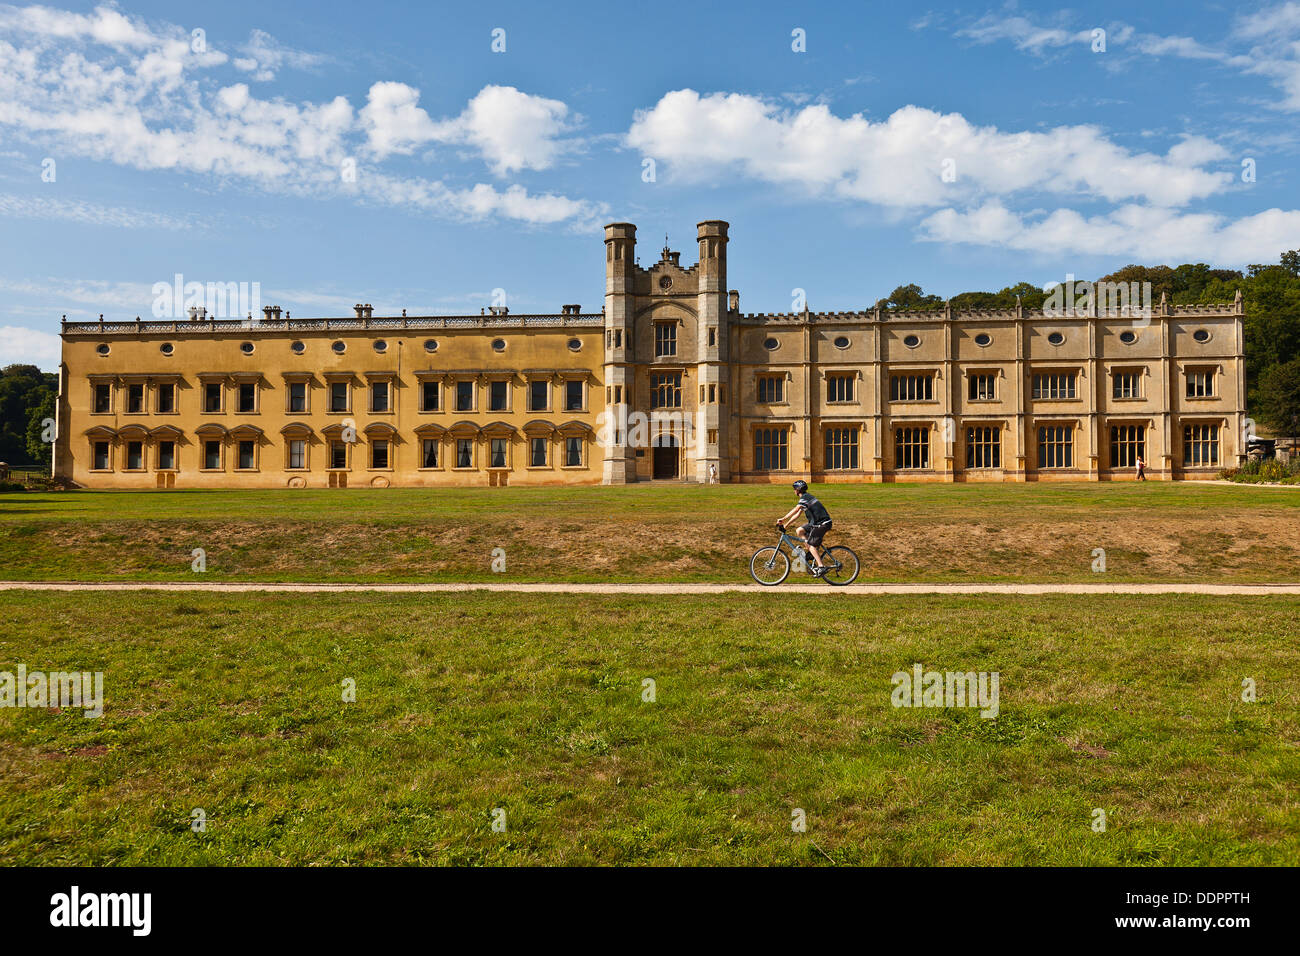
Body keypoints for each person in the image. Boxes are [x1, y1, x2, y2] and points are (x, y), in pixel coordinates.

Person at [776, 479, 832, 576]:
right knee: (800, 530)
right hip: (815, 523)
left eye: (794, 489)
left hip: (822, 524)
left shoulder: (805, 498)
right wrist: (786, 525)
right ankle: (811, 552)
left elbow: (796, 509)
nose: (794, 491)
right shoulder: (806, 498)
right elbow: (798, 514)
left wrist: (783, 518)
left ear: (798, 490)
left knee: (811, 545)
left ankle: (821, 566)